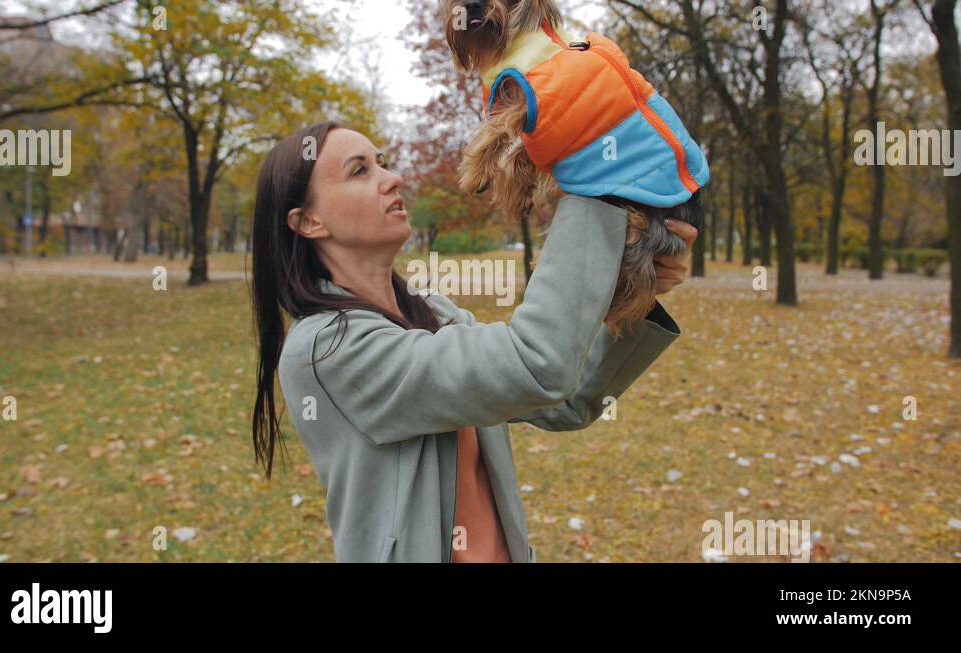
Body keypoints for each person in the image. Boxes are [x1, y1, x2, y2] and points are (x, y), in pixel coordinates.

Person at [249, 121, 697, 562]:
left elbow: (566, 398)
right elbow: (536, 364)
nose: (394, 178)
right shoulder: (327, 349)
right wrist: (594, 187)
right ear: (308, 221)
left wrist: (634, 297)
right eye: (360, 170)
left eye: (383, 163)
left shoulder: (435, 315)